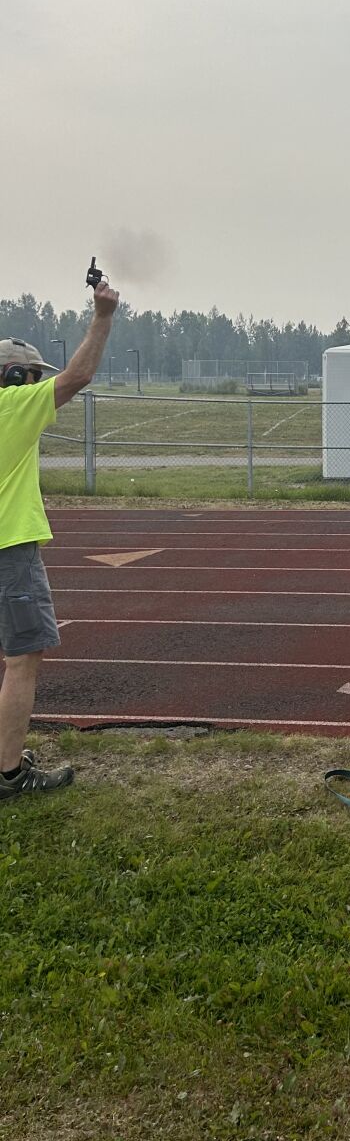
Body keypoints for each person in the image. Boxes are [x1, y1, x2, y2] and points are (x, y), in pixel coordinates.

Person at [1, 271, 120, 802]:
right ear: (14, 376)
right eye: (29, 376)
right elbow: (77, 376)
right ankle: (8, 775)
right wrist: (102, 317)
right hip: (9, 547)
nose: (35, 385)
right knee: (22, 657)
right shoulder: (13, 407)